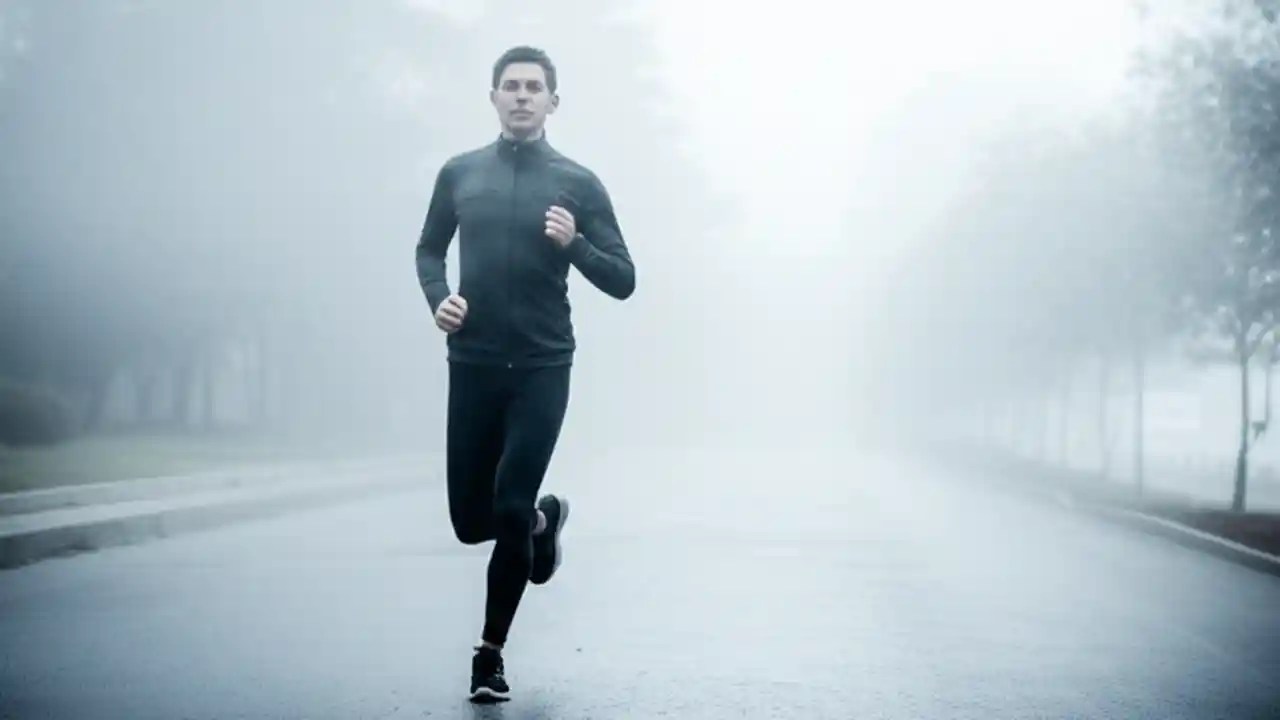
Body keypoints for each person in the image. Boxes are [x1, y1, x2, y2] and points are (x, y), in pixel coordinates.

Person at [414, 45, 636, 702]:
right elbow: (429, 248)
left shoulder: (578, 182)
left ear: (552, 103)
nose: (520, 96)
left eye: (533, 87)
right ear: (493, 98)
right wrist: (439, 298)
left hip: (542, 365)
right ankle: (542, 523)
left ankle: (490, 655)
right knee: (469, 521)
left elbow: (623, 280)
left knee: (505, 506)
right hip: (474, 363)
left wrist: (576, 244)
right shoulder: (460, 173)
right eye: (509, 86)